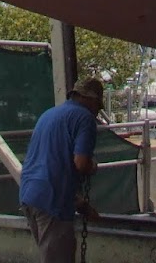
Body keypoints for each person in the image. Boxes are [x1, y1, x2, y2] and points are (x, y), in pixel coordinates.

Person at [17, 77, 103, 263]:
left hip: (30, 194)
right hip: (51, 200)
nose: (97, 112)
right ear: (92, 99)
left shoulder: (50, 114)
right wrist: (92, 166)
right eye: (98, 106)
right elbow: (80, 163)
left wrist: (82, 206)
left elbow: (52, 166)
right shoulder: (85, 119)